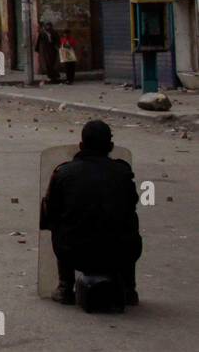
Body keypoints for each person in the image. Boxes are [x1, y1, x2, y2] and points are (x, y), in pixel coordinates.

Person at [40, 120, 141, 306]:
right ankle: (129, 289)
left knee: (56, 217)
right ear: (110, 146)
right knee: (129, 218)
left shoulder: (63, 172)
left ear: (80, 145)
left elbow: (51, 213)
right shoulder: (123, 172)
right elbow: (132, 204)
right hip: (119, 253)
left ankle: (65, 286)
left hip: (75, 252)